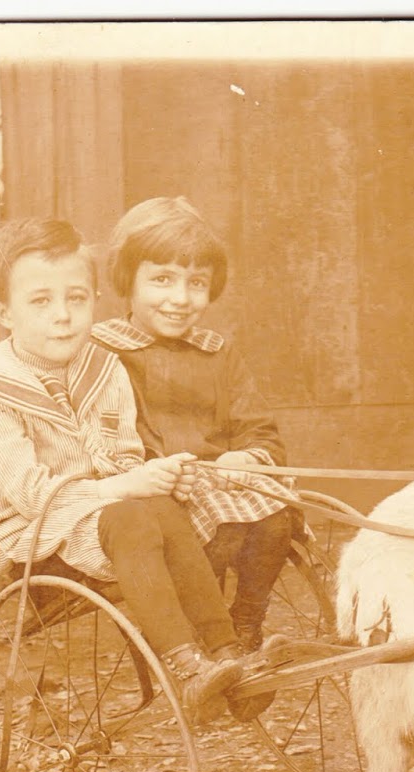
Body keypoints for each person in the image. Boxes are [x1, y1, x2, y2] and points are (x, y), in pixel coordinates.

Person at [0, 216, 248, 719]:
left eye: (77, 298)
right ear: (3, 312)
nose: (63, 317)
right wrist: (122, 487)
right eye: (40, 302)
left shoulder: (103, 366)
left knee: (158, 506)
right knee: (132, 515)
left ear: (95, 299)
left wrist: (142, 477)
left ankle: (227, 653)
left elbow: (121, 453)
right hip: (22, 528)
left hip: (95, 510)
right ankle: (185, 668)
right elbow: (30, 495)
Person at [92, 196, 298, 653]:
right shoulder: (103, 353)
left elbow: (259, 428)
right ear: (129, 280)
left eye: (197, 283)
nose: (180, 299)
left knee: (277, 516)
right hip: (156, 493)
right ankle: (188, 631)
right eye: (162, 280)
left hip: (220, 486)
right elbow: (106, 438)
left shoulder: (219, 354)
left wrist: (246, 456)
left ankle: (246, 620)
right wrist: (154, 472)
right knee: (211, 529)